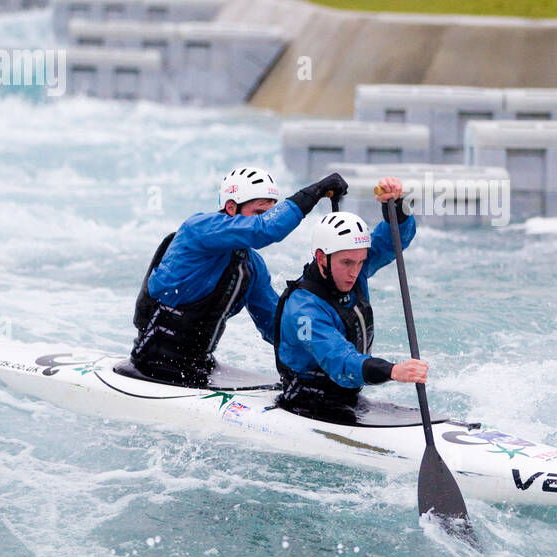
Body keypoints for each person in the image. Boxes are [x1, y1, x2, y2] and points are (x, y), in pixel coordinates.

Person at [124, 166, 348, 387]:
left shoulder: (251, 266)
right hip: (150, 364)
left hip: (199, 366)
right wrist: (315, 191)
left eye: (272, 212)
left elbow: (277, 327)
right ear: (231, 208)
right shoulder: (199, 230)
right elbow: (265, 230)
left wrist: (323, 355)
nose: (266, 219)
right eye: (260, 213)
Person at [273, 177, 427, 414]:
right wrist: (392, 371)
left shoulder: (354, 269)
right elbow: (340, 361)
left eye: (360, 262)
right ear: (321, 257)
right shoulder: (304, 310)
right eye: (347, 262)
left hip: (347, 396)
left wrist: (397, 208)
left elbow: (391, 242)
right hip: (305, 403)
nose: (355, 272)